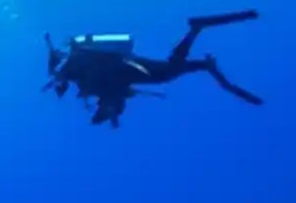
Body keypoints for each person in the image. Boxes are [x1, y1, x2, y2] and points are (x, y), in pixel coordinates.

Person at [44, 10, 263, 127]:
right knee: (168, 73)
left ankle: (196, 38)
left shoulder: (93, 87)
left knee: (167, 73)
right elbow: (65, 74)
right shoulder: (96, 88)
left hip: (124, 67)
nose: (105, 108)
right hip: (125, 67)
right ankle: (199, 51)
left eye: (105, 110)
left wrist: (58, 78)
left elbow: (65, 75)